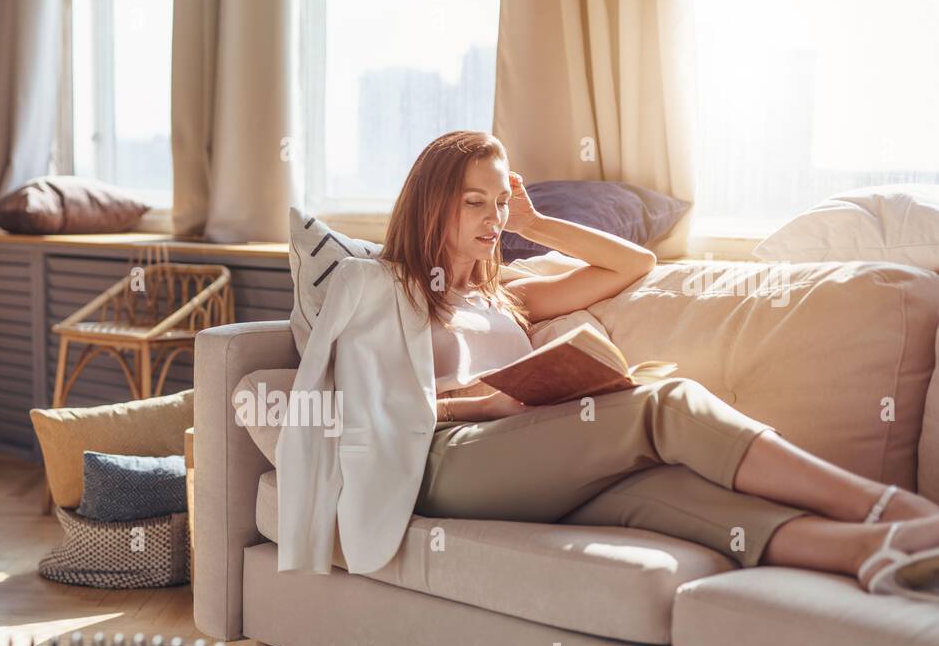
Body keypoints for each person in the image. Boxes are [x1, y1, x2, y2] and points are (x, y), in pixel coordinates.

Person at [276, 130, 939, 601]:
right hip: (441, 463)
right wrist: (484, 401)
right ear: (432, 202)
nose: (492, 216)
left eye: (498, 200)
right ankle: (894, 507)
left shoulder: (515, 296)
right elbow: (362, 412)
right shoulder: (384, 289)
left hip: (529, 453)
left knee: (666, 494)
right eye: (474, 200)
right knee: (668, 403)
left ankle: (869, 554)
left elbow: (635, 264)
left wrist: (536, 222)